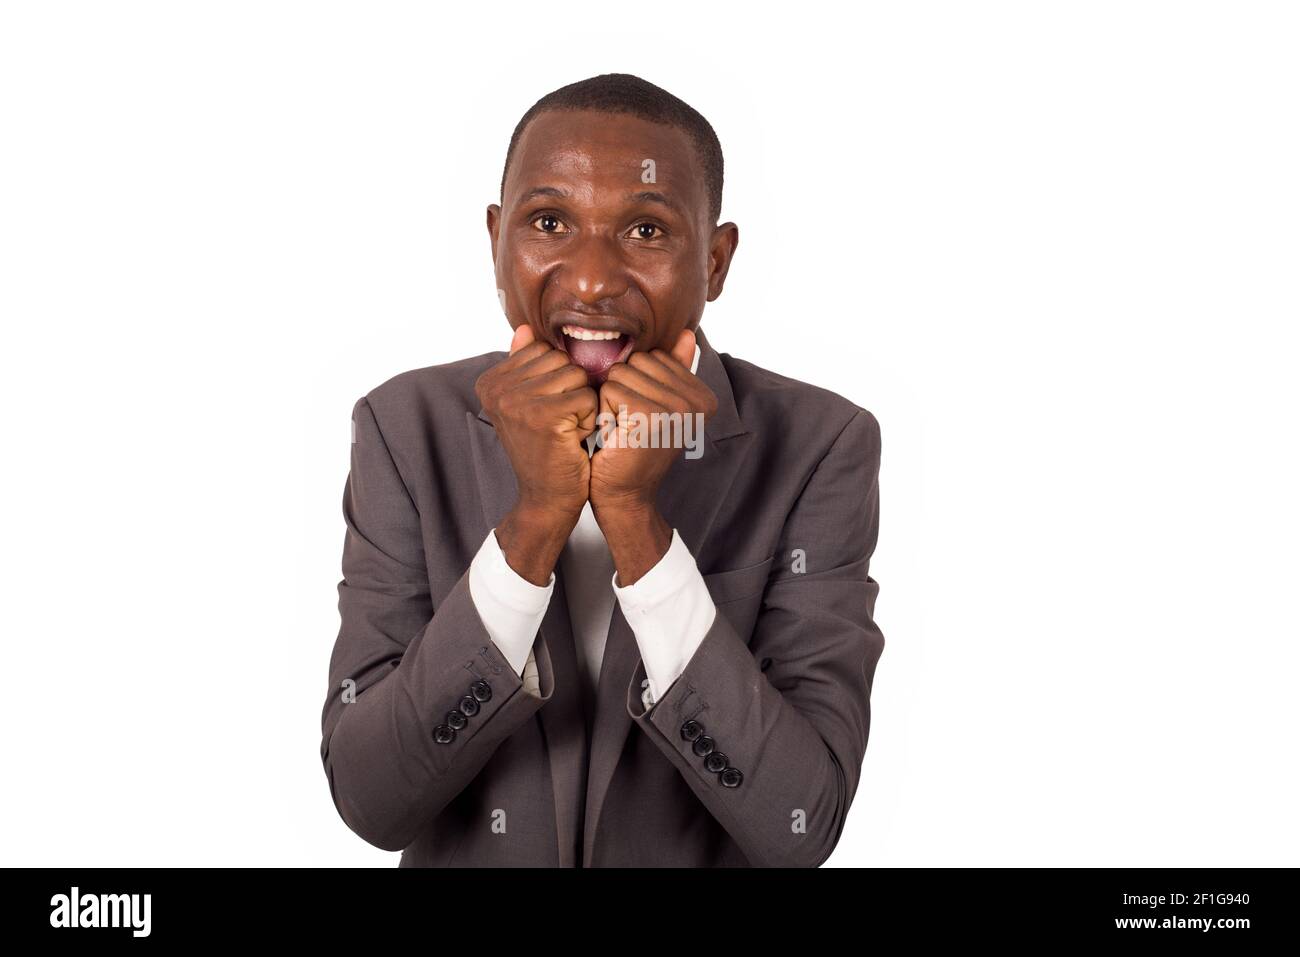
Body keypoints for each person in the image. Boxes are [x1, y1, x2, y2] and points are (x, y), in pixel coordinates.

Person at [320, 73, 886, 867]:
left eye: (646, 231)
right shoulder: (402, 428)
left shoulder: (820, 444)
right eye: (550, 221)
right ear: (495, 240)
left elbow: (799, 820)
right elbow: (372, 798)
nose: (590, 279)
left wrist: (637, 525)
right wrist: (533, 523)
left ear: (716, 262)